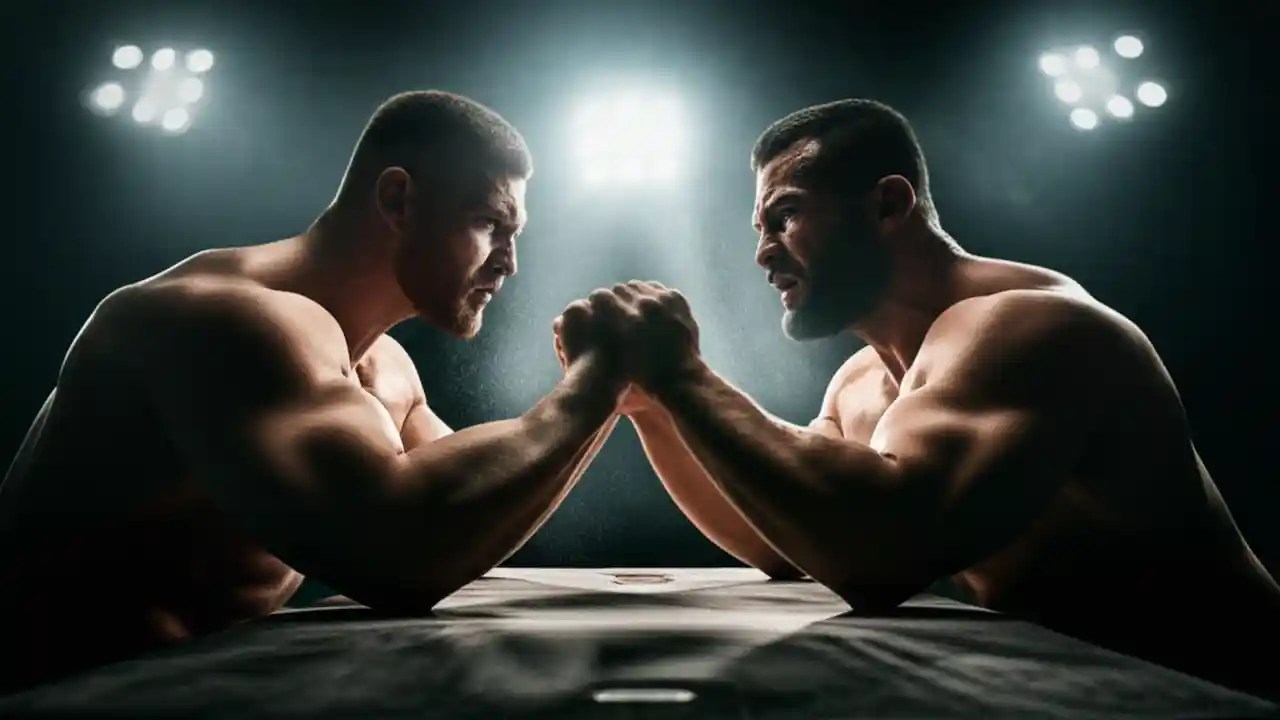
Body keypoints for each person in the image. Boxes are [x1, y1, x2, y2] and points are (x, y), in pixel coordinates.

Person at [563, 99, 1280, 699]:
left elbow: (884, 553)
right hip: (1095, 691)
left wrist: (690, 379)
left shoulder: (1030, 326)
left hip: (1226, 689)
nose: (762, 252)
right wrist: (656, 407)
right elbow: (793, 539)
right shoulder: (861, 381)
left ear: (888, 203)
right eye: (760, 228)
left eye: (784, 215)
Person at [0, 90, 627, 693]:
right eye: (491, 222)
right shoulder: (223, 321)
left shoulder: (384, 367)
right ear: (399, 199)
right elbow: (403, 555)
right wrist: (595, 382)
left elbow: (478, 517)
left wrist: (622, 387)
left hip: (180, 694)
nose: (509, 262)